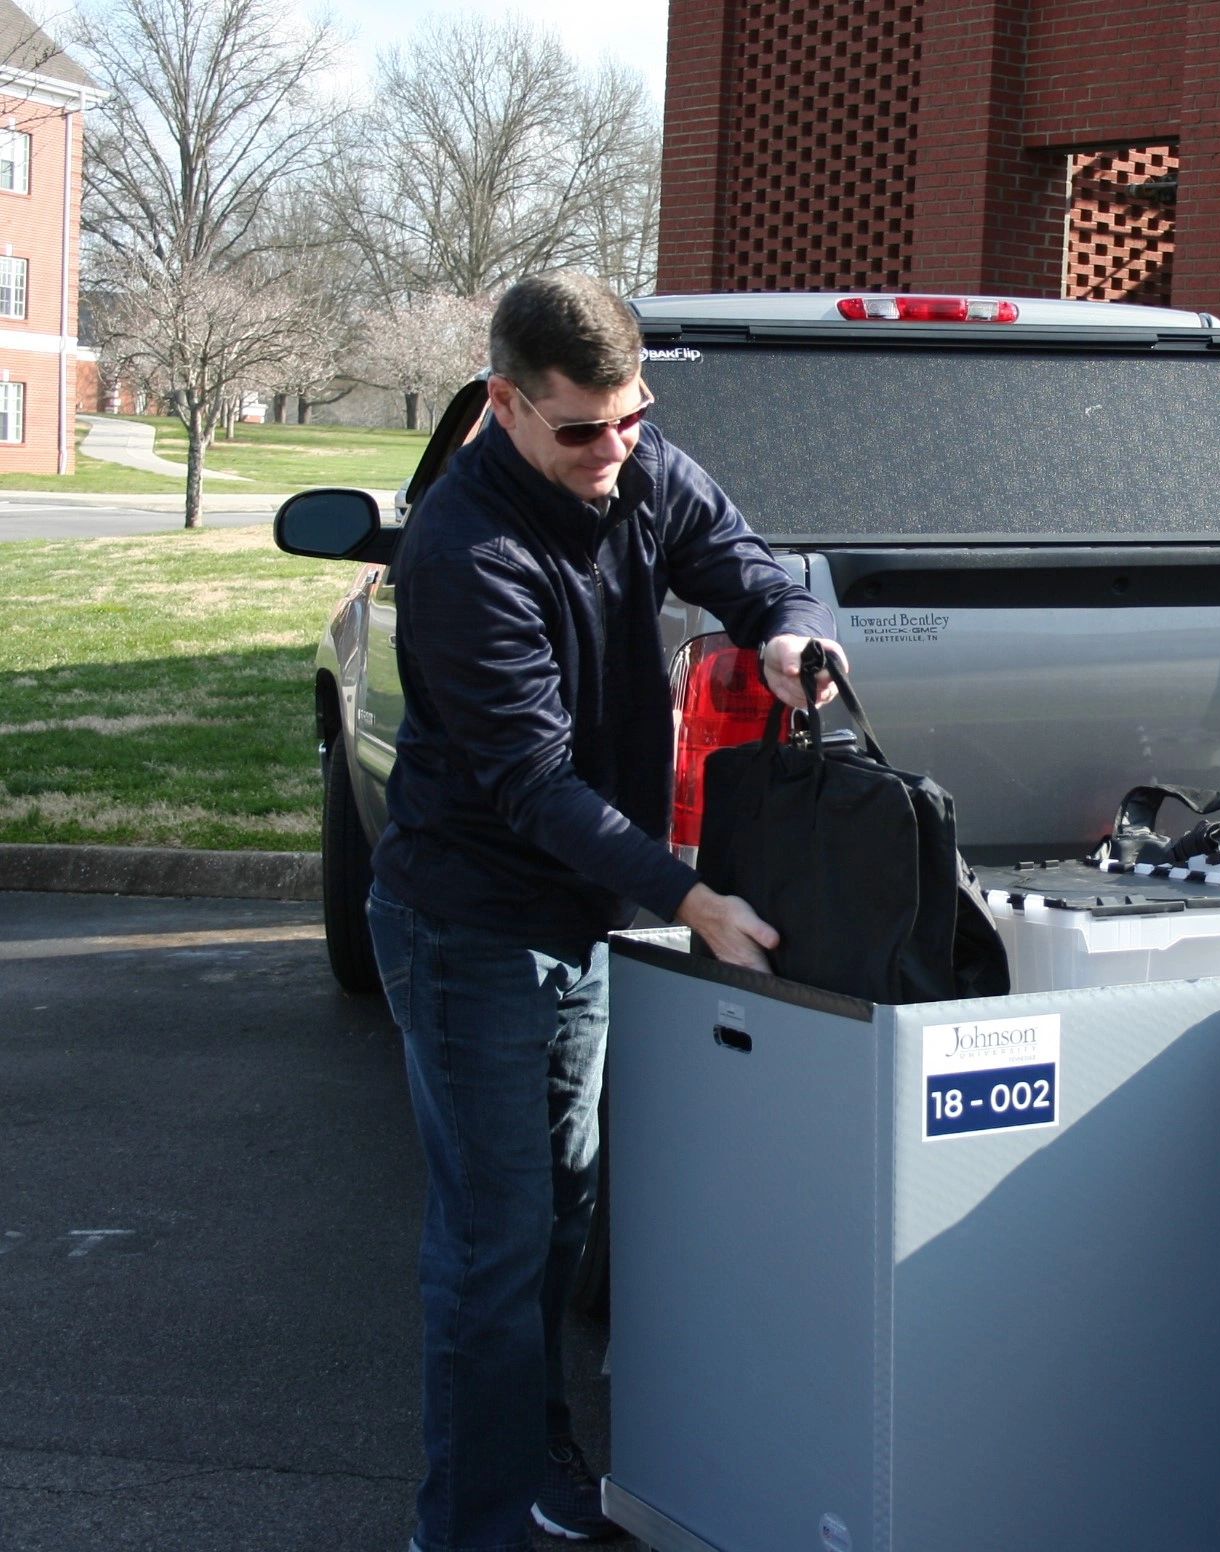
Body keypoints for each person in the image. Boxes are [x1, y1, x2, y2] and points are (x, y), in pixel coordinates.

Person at [366, 271, 842, 1550]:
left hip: (576, 919)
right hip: (468, 920)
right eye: (583, 428)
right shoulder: (465, 550)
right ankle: (466, 1523)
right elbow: (531, 785)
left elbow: (744, 567)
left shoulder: (637, 468)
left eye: (632, 418)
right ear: (507, 404)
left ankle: (532, 1459)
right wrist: (690, 898)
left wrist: (789, 629)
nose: (615, 450)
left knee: (560, 1214)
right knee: (492, 1242)